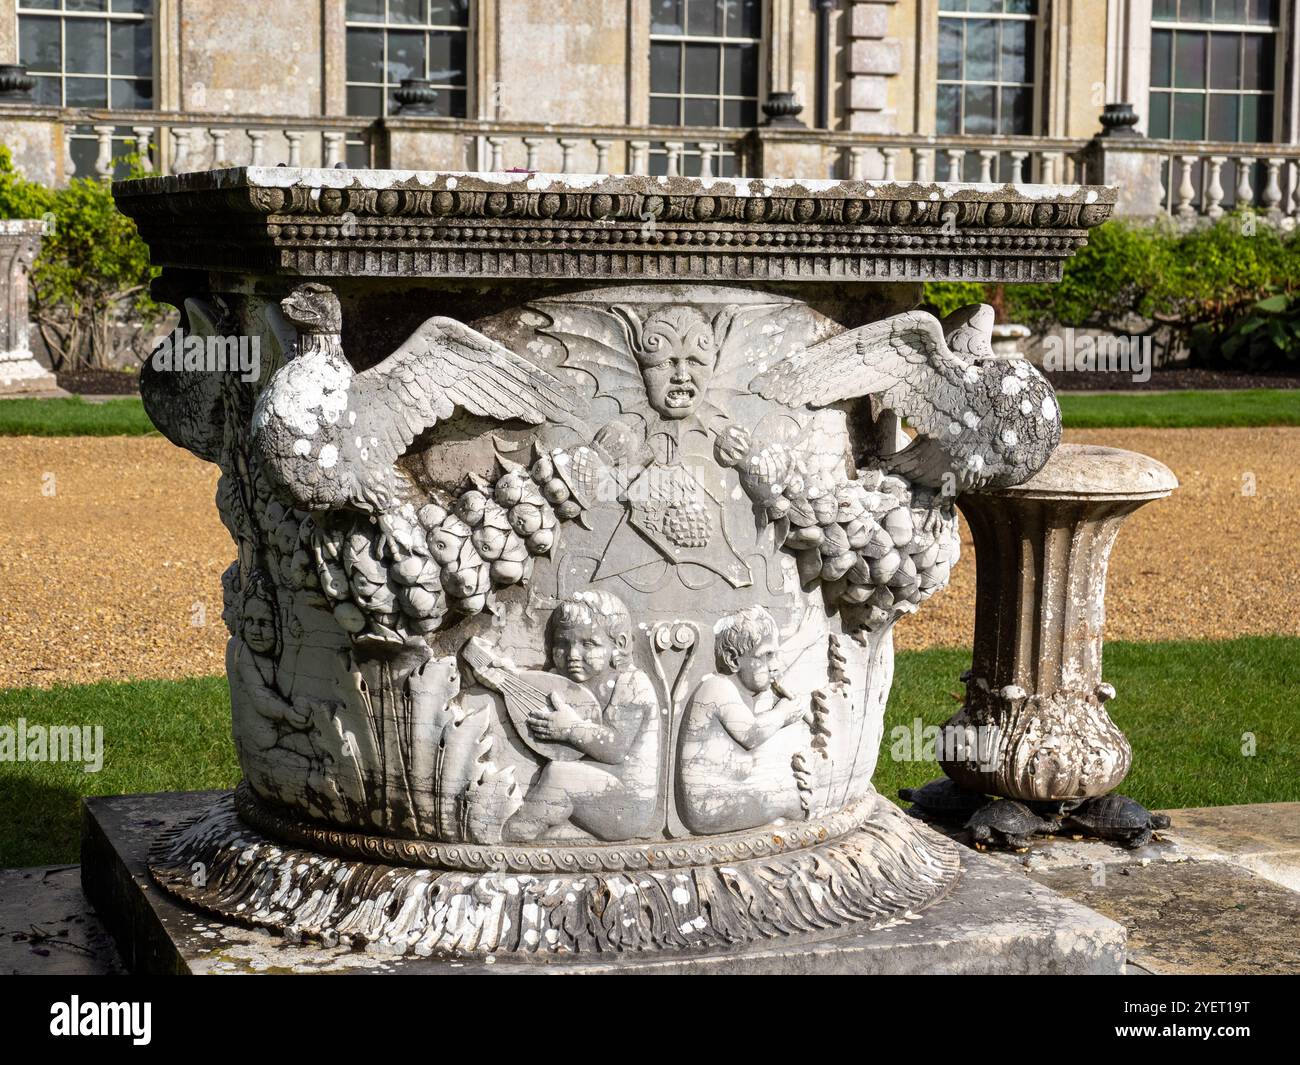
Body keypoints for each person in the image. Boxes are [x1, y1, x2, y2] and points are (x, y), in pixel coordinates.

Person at [502, 590, 661, 842]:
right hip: (593, 799)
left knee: (560, 774)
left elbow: (616, 749)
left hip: (627, 805)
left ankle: (518, 832)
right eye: (562, 643)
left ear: (619, 644)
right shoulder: (561, 679)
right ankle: (559, 832)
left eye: (588, 644)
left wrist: (571, 729)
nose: (573, 655)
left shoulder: (631, 683)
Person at [676, 605, 809, 834]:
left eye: (775, 655)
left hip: (722, 795)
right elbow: (751, 735)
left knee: (780, 783)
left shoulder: (733, 690)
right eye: (766, 656)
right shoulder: (717, 688)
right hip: (708, 807)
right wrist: (783, 714)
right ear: (733, 659)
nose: (775, 665)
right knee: (790, 797)